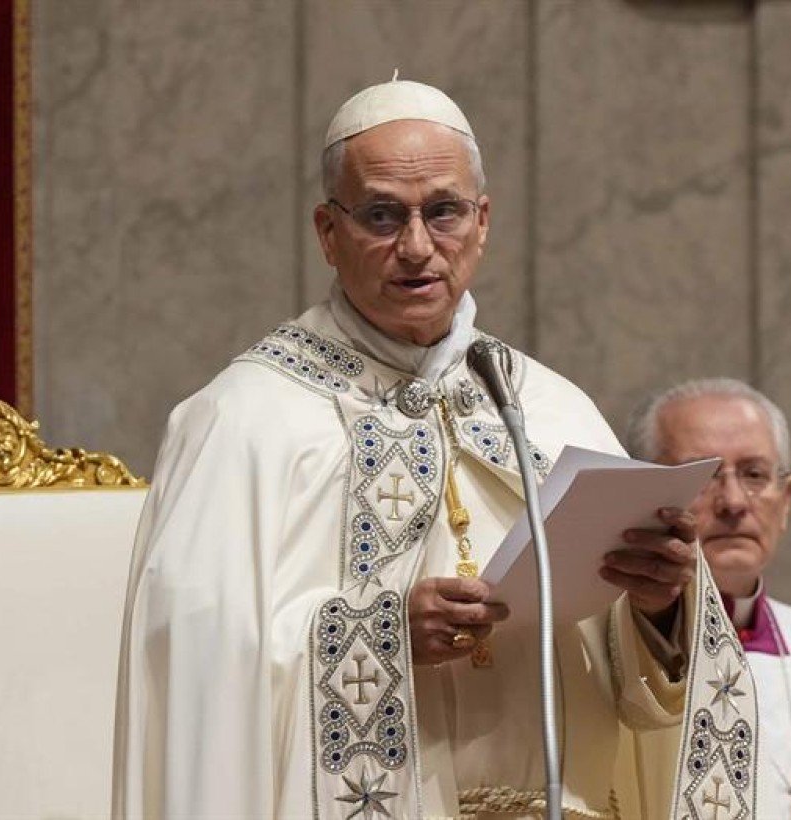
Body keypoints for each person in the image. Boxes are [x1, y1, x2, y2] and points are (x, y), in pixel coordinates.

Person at [112, 79, 755, 819]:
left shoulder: (546, 408)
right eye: (381, 215)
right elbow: (195, 675)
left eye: (442, 211)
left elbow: (635, 691)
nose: (415, 247)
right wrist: (380, 636)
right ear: (327, 230)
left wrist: (656, 607)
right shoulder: (243, 421)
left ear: (481, 223)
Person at [626, 376, 791, 817]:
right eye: (702, 475)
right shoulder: (598, 654)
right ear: (646, 491)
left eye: (754, 474)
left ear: (786, 499)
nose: (733, 501)